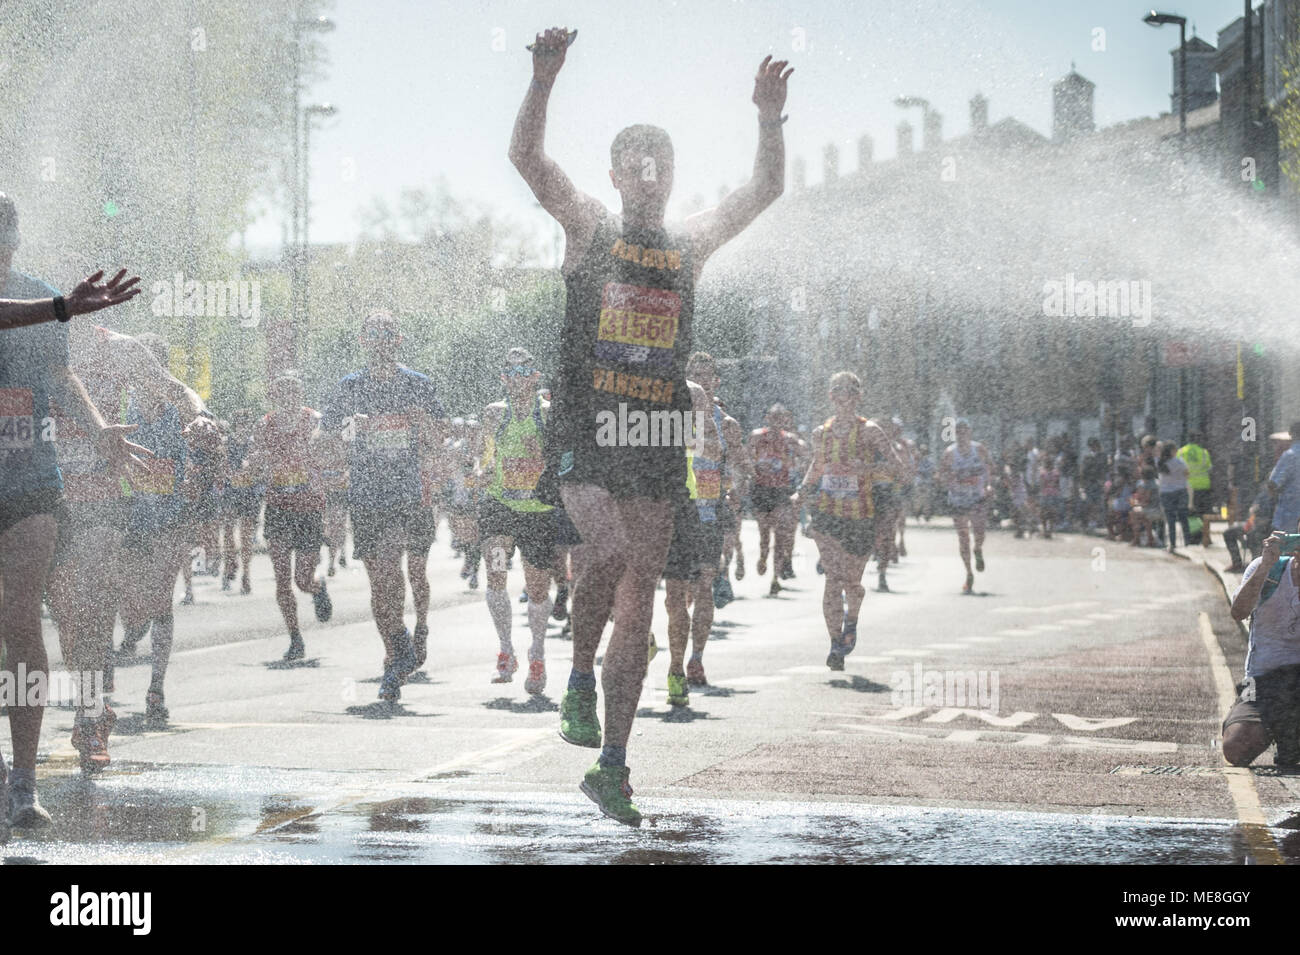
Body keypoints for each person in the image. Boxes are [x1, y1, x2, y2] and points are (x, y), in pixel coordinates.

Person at [510, 25, 791, 826]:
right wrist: (543, 79)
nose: (648, 171)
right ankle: (573, 680)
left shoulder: (689, 244)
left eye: (659, 161)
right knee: (607, 548)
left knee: (639, 601)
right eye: (633, 160)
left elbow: (764, 191)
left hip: (659, 437)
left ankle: (613, 765)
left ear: (672, 175)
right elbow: (529, 161)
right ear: (613, 173)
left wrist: (768, 119)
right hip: (588, 429)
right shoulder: (589, 228)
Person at [0, 193, 146, 826]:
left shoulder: (40, 294)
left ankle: (23, 780)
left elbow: (62, 379)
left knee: (19, 618)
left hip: (30, 482)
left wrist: (99, 427)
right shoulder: (44, 302)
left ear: (14, 238)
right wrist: (60, 307)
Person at [49, 322, 211, 772]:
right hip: (47, 492)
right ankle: (91, 704)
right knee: (66, 612)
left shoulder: (119, 349)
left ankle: (89, 713)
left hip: (102, 494)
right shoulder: (33, 334)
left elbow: (174, 388)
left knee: (96, 603)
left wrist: (199, 415)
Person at [321, 311, 447, 699]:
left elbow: (438, 439)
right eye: (373, 334)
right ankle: (397, 646)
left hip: (407, 492)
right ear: (363, 341)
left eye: (387, 334)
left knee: (401, 571)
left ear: (398, 340)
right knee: (381, 581)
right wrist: (351, 427)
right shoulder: (349, 387)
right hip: (366, 493)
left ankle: (397, 661)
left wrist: (420, 421)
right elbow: (327, 440)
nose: (380, 340)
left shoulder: (418, 385)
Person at [797, 372, 901, 669]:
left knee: (852, 583)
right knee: (832, 579)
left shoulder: (870, 431)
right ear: (830, 396)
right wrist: (802, 492)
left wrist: (865, 468)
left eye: (850, 392)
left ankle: (851, 622)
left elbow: (896, 469)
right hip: (828, 514)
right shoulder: (821, 433)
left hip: (861, 516)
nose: (844, 396)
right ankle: (834, 644)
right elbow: (817, 467)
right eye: (838, 391)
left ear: (858, 397)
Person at [477, 347, 555, 694]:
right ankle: (506, 650)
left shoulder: (549, 415)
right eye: (512, 374)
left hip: (538, 513)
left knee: (537, 587)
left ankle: (537, 652)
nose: (519, 380)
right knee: (496, 573)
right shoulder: (494, 414)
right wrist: (481, 470)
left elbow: (558, 460)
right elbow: (483, 457)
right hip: (500, 508)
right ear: (504, 379)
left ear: (535, 378)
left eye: (526, 373)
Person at [246, 375, 332, 661]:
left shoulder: (315, 420)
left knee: (301, 579)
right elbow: (255, 460)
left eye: (293, 391)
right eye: (281, 391)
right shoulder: (265, 425)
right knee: (282, 580)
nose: (287, 396)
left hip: (308, 507)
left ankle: (317, 589)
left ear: (301, 393)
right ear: (274, 395)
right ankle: (295, 638)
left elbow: (330, 452)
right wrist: (255, 464)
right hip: (279, 507)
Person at [1224, 529, 1300, 768]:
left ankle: (1290, 735)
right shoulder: (1269, 569)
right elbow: (1238, 612)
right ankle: (1281, 729)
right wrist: (1266, 564)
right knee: (1236, 749)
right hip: (1262, 680)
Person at [938, 418, 993, 594]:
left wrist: (989, 484)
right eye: (958, 431)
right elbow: (941, 475)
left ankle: (978, 549)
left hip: (977, 497)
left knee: (979, 531)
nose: (961, 434)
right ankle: (969, 573)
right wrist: (949, 480)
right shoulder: (949, 453)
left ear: (970, 432)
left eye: (964, 431)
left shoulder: (979, 449)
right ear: (955, 433)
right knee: (963, 537)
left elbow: (989, 468)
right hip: (958, 499)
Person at [751, 403, 799, 596]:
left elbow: (798, 462)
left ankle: (775, 577)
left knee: (780, 536)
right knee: (764, 535)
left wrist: (786, 461)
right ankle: (763, 556)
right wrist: (757, 467)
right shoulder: (757, 436)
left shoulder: (790, 440)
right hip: (761, 489)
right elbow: (746, 457)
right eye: (773, 416)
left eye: (780, 417)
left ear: (785, 419)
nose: (776, 420)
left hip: (780, 490)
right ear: (767, 418)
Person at [219, 409, 262, 593]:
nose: (243, 428)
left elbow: (260, 470)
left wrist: (251, 471)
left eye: (245, 424)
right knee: (228, 532)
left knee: (245, 536)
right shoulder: (226, 444)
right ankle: (230, 563)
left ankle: (246, 573)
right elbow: (220, 468)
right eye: (240, 424)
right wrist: (231, 473)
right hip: (231, 492)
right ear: (235, 425)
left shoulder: (254, 445)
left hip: (249, 494)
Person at [1223, 484, 1276, 572]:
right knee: (1229, 532)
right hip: (1254, 523)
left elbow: (1273, 516)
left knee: (1254, 534)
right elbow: (1254, 507)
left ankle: (1255, 564)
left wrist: (1262, 521)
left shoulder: (1280, 495)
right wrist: (1252, 514)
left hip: (1268, 526)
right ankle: (1237, 563)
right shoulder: (1263, 493)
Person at [1178, 432, 1214, 546]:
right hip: (1203, 485)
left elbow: (1178, 468)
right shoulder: (1204, 452)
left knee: (1189, 513)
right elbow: (1209, 468)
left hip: (1188, 486)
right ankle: (1205, 537)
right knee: (1204, 513)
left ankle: (1190, 537)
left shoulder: (1181, 452)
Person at [1156, 441, 1192, 554]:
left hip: (1166, 492)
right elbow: (1187, 474)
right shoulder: (1179, 462)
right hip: (1180, 491)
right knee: (1183, 518)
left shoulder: (1161, 463)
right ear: (1172, 451)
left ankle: (1172, 543)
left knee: (1170, 519)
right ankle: (1187, 542)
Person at [1268, 424, 1300, 535]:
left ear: (1291, 435)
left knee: (1285, 548)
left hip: (1289, 515)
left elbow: (1273, 483)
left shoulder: (1290, 455)